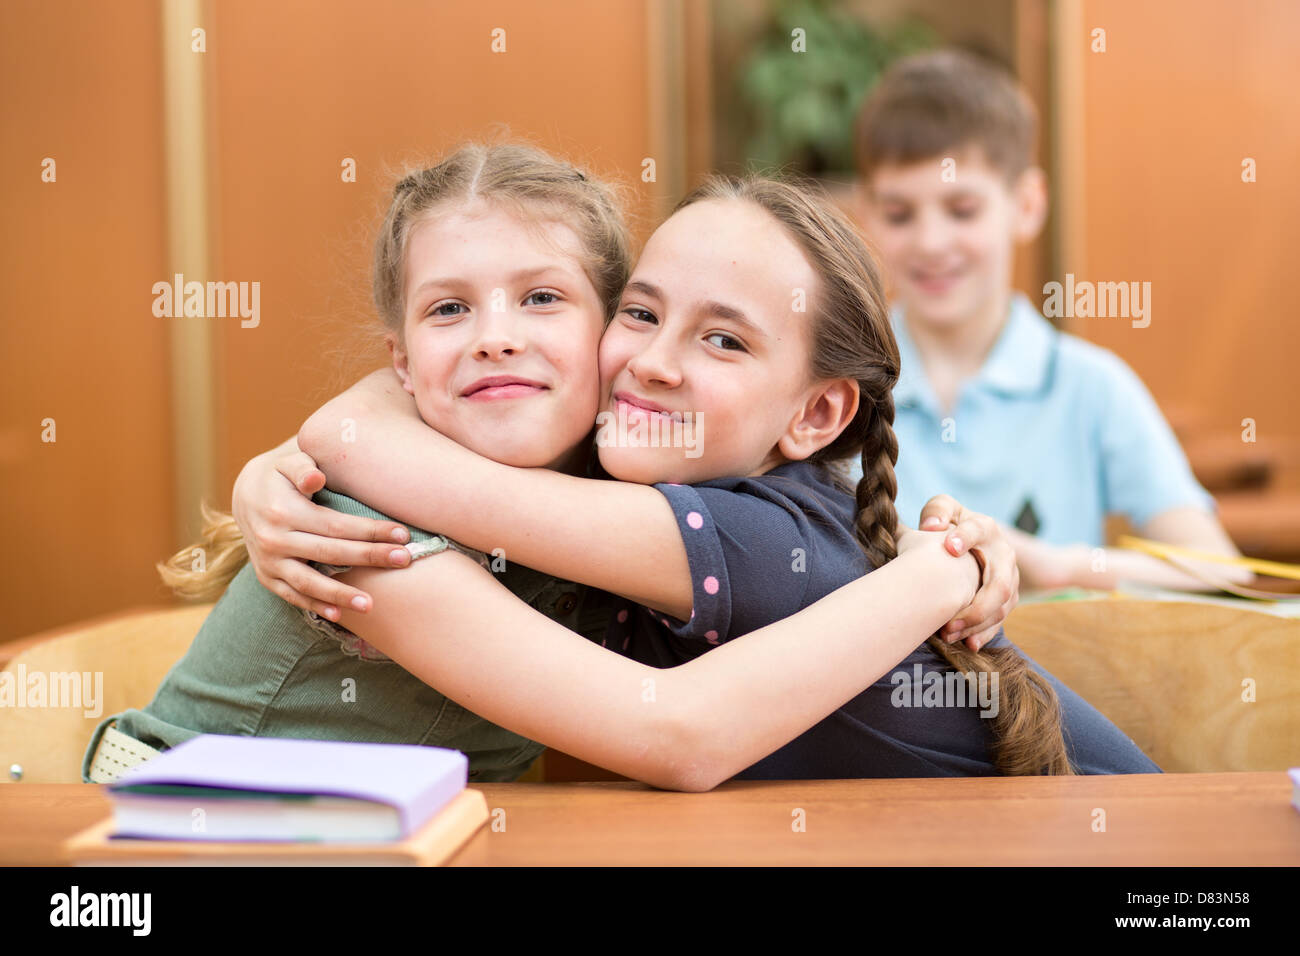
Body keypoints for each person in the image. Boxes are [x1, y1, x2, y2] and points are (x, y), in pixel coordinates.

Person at [84, 143, 1004, 790]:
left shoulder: (620, 490)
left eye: (542, 298)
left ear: (606, 329)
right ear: (400, 361)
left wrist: (969, 552)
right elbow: (670, 733)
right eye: (447, 311)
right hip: (178, 825)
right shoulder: (366, 531)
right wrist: (324, 442)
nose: (495, 339)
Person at [237, 166, 1159, 776]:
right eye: (640, 314)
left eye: (722, 339)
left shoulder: (750, 536)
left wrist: (331, 436)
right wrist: (283, 465)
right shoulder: (646, 500)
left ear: (814, 415)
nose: (654, 362)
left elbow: (674, 734)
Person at [847, 49, 1247, 592]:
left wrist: (1061, 566)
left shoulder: (1090, 386)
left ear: (1027, 204)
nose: (931, 242)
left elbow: (1220, 571)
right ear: (867, 214)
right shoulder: (842, 388)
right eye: (899, 214)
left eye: (962, 210)